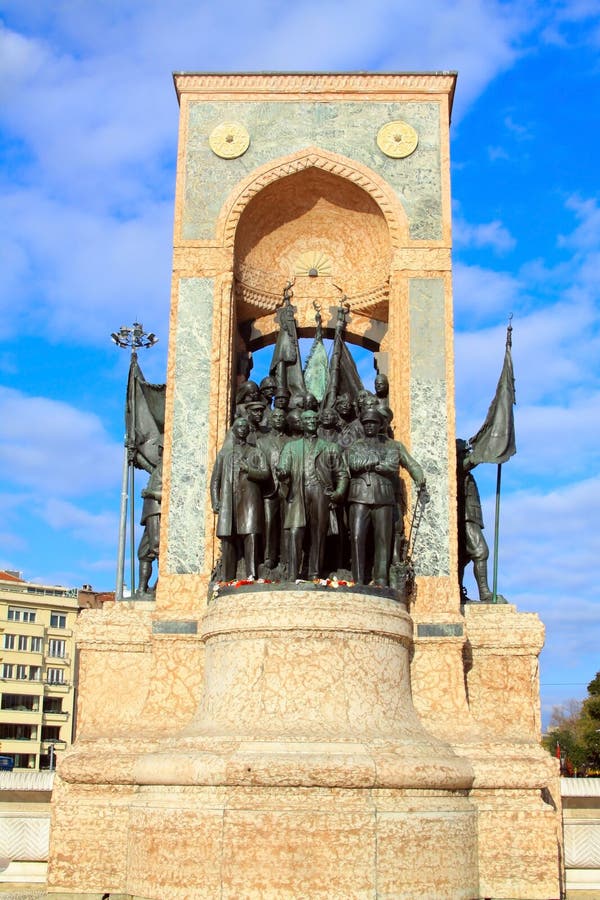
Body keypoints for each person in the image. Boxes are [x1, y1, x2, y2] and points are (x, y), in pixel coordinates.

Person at [348, 409, 425, 587]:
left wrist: (419, 477)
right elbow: (353, 464)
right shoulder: (356, 446)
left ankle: (381, 579)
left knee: (383, 539)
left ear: (380, 425)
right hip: (360, 497)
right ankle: (358, 580)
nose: (369, 426)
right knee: (358, 537)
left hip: (384, 497)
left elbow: (409, 463)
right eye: (366, 423)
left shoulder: (394, 446)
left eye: (373, 423)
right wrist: (378, 463)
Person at [276, 409, 348, 581]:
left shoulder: (330, 448)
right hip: (297, 492)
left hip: (320, 493)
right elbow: (282, 467)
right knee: (295, 533)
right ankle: (293, 575)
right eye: (307, 419)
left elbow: (342, 473)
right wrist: (282, 473)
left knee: (319, 533)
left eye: (314, 419)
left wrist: (339, 493)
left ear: (318, 423)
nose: (310, 421)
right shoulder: (291, 447)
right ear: (301, 423)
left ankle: (315, 573)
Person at [210, 418, 269, 581]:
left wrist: (249, 469)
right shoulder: (224, 453)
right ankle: (227, 577)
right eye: (239, 427)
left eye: (245, 427)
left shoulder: (256, 452)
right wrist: (215, 501)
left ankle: (252, 574)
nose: (242, 429)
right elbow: (215, 480)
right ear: (234, 430)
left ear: (249, 430)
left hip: (249, 499)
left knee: (250, 535)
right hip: (229, 500)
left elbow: (266, 474)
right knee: (227, 537)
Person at [456, 439, 506, 603]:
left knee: (463, 558)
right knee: (480, 551)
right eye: (465, 452)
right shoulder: (456, 468)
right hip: (465, 518)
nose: (468, 454)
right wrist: (484, 449)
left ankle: (458, 592)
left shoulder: (466, 475)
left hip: (470, 517)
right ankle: (484, 593)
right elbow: (466, 463)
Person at [257, 408, 289, 569]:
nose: (278, 419)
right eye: (275, 416)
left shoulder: (291, 441)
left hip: (287, 488)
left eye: (281, 417)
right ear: (270, 419)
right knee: (269, 523)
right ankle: (269, 556)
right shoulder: (261, 441)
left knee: (286, 523)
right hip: (269, 488)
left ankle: (286, 556)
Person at [137, 446, 163, 594]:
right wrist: (136, 456)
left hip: (157, 511)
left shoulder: (170, 468)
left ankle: (162, 587)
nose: (158, 451)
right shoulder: (160, 466)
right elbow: (148, 467)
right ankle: (141, 589)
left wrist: (152, 493)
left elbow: (172, 491)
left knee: (157, 548)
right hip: (150, 512)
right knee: (144, 552)